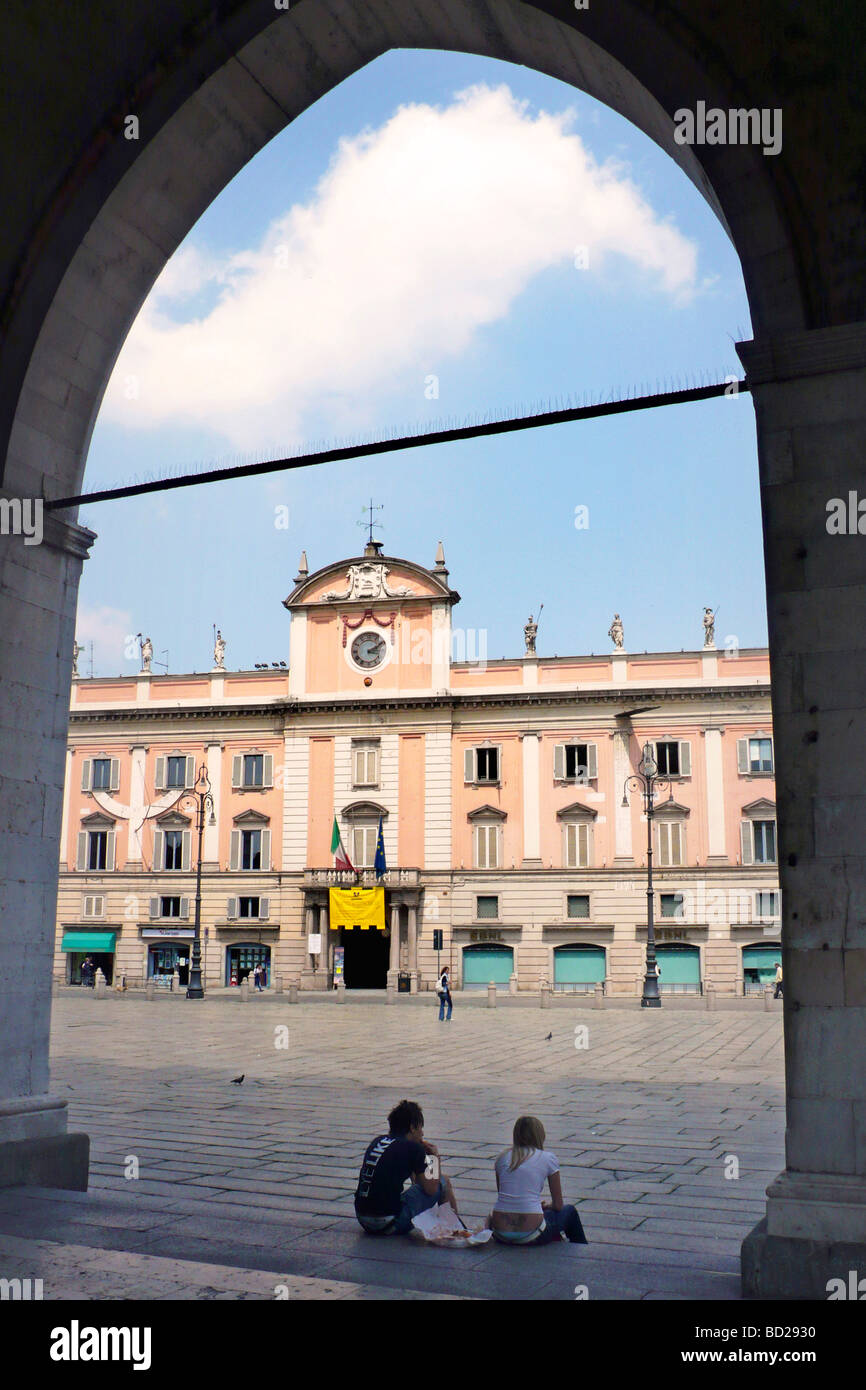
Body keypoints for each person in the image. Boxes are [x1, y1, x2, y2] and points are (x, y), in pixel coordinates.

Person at [354, 1099, 460, 1236]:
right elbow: (431, 1189)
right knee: (442, 1181)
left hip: (362, 1218)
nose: (422, 1133)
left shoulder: (378, 1141)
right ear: (412, 1127)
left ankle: (452, 1226)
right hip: (389, 1223)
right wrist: (434, 1158)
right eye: (421, 1128)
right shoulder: (413, 1148)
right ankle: (454, 1228)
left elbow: (417, 1183)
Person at [490, 1115, 587, 1245]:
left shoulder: (502, 1158)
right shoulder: (548, 1158)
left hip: (500, 1233)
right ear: (540, 1135)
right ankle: (580, 1248)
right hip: (532, 1235)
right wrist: (547, 1206)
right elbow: (558, 1205)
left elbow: (506, 1196)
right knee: (569, 1211)